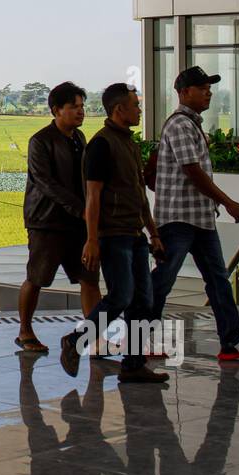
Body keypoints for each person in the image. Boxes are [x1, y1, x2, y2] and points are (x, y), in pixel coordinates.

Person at [149, 66, 239, 361]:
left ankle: (231, 341)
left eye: (209, 88)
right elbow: (192, 171)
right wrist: (229, 202)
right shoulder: (180, 125)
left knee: (218, 280)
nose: (209, 93)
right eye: (202, 88)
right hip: (178, 218)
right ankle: (139, 336)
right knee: (164, 279)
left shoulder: (191, 124)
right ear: (183, 92)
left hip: (200, 218)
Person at [60, 83, 167, 383]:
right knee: (120, 296)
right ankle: (75, 341)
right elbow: (92, 197)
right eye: (136, 105)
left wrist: (153, 234)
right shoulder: (102, 145)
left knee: (143, 301)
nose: (139, 110)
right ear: (120, 110)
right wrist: (92, 239)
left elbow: (139, 194)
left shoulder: (129, 144)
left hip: (135, 234)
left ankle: (133, 365)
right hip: (113, 234)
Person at [15, 81, 101, 353]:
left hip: (77, 221)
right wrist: (81, 209)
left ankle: (94, 335)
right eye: (73, 107)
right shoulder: (40, 141)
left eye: (82, 107)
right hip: (47, 222)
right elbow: (45, 183)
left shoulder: (80, 139)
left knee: (89, 277)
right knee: (37, 276)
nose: (80, 112)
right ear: (56, 110)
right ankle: (25, 330)